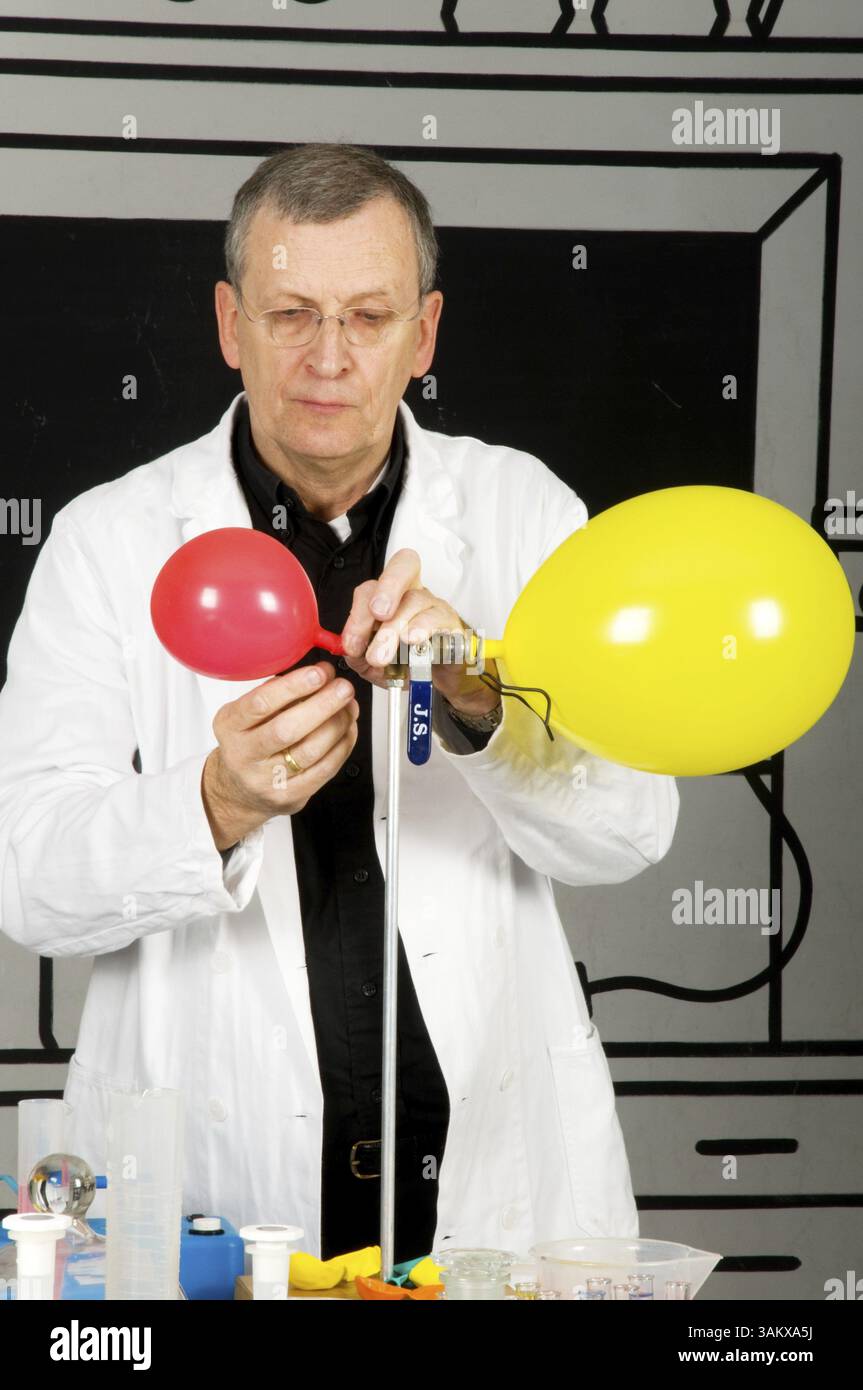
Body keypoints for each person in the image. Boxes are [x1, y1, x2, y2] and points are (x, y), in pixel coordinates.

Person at [0, 143, 679, 1262]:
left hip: (491, 1179)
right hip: (212, 1184)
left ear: (423, 334)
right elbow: (26, 877)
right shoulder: (107, 541)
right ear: (229, 326)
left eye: (368, 317)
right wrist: (211, 802)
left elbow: (633, 826)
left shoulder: (523, 513)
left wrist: (485, 709)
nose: (328, 358)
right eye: (289, 314)